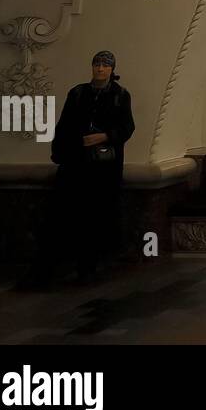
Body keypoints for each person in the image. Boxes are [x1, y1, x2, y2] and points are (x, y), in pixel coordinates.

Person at [28, 50, 136, 285]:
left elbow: (127, 127)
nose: (100, 69)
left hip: (102, 168)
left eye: (105, 65)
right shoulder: (78, 93)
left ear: (112, 69)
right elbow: (64, 124)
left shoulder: (120, 95)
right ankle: (52, 267)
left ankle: (88, 266)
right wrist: (61, 151)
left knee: (94, 216)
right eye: (97, 64)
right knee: (64, 215)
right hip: (75, 164)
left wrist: (104, 136)